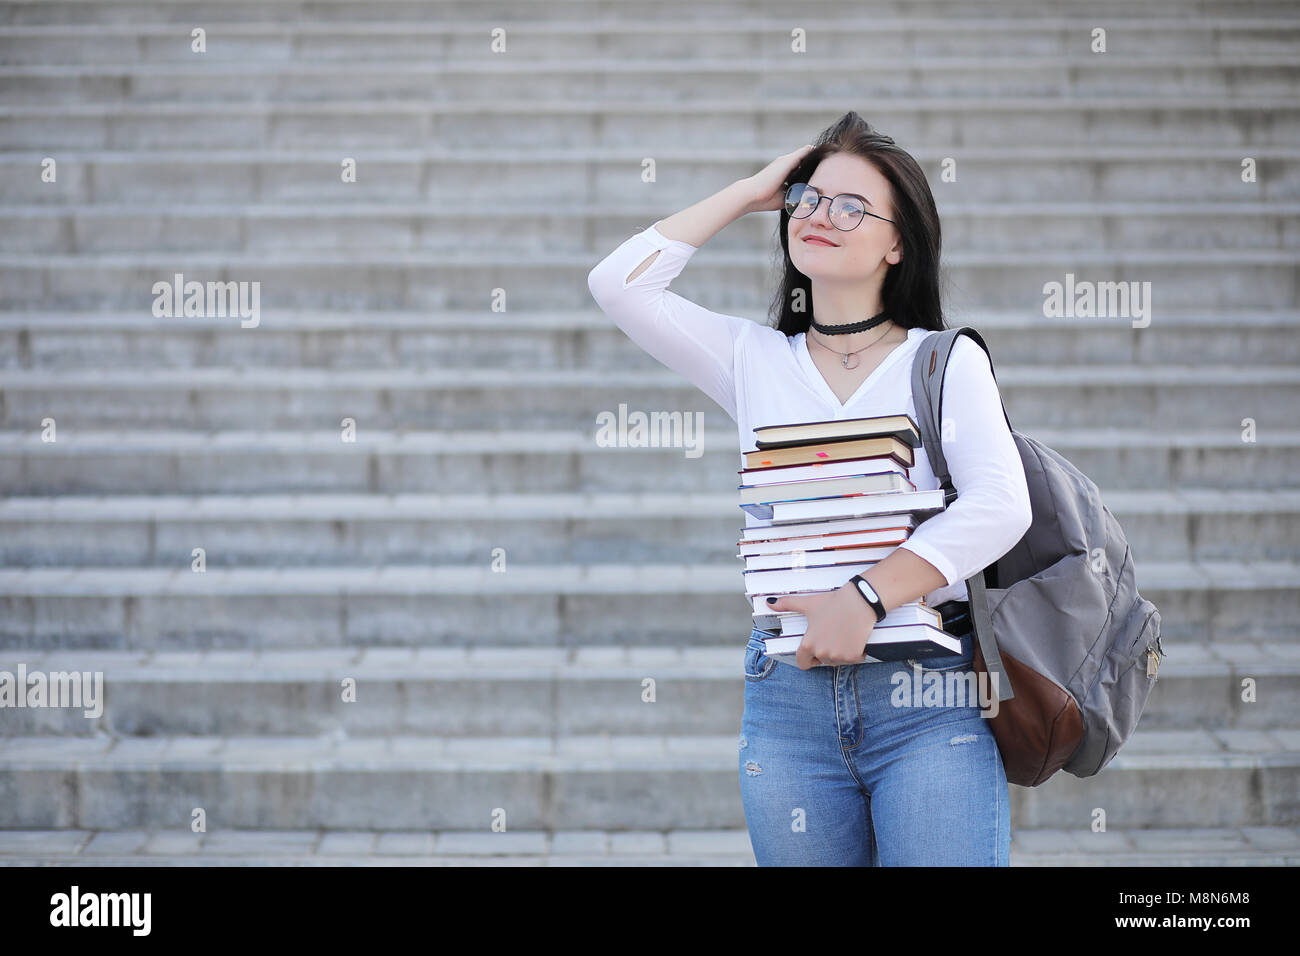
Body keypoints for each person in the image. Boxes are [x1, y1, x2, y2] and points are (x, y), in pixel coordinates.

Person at [586, 112, 1032, 866]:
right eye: (809, 199)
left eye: (852, 206)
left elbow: (1000, 505)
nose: (821, 216)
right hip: (788, 706)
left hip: (926, 702)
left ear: (898, 243)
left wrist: (863, 597)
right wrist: (748, 192)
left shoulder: (942, 363)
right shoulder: (753, 360)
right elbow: (618, 285)